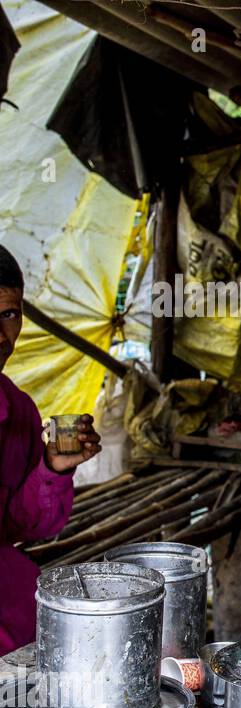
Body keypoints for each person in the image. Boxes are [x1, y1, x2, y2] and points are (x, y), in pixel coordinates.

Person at [0, 244, 101, 654]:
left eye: (8, 314)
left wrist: (53, 469)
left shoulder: (18, 411)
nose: (0, 335)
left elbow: (19, 527)